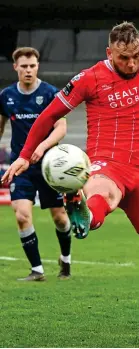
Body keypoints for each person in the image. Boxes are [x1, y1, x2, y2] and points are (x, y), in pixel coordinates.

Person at [2, 10, 139, 328]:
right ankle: (82, 214)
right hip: (107, 165)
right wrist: (26, 156)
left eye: (136, 56)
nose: (132, 64)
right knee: (102, 195)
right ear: (110, 53)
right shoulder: (90, 78)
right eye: (124, 58)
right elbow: (48, 116)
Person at [0, 47, 71, 281]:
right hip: (20, 166)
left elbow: (61, 126)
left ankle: (66, 259)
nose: (28, 70)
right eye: (24, 66)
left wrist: (42, 146)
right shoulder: (6, 96)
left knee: (60, 217)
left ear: (37, 67)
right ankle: (37, 270)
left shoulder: (51, 94)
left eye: (32, 66)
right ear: (16, 67)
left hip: (49, 165)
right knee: (21, 215)